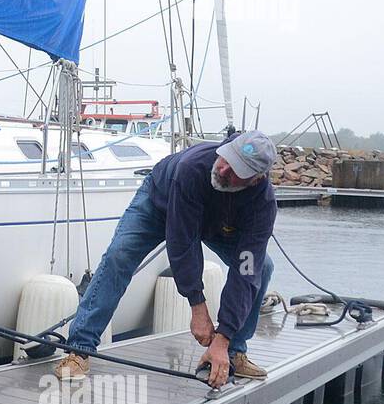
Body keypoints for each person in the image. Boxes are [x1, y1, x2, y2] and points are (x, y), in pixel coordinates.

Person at [53, 129, 279, 389]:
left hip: (221, 219)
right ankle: (79, 348)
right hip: (160, 202)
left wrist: (223, 335)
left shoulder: (261, 205)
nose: (224, 169)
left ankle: (233, 352)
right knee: (119, 256)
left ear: (255, 180)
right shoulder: (192, 167)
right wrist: (198, 307)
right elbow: (183, 242)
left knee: (261, 268)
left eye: (237, 169)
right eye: (227, 158)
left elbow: (245, 270)